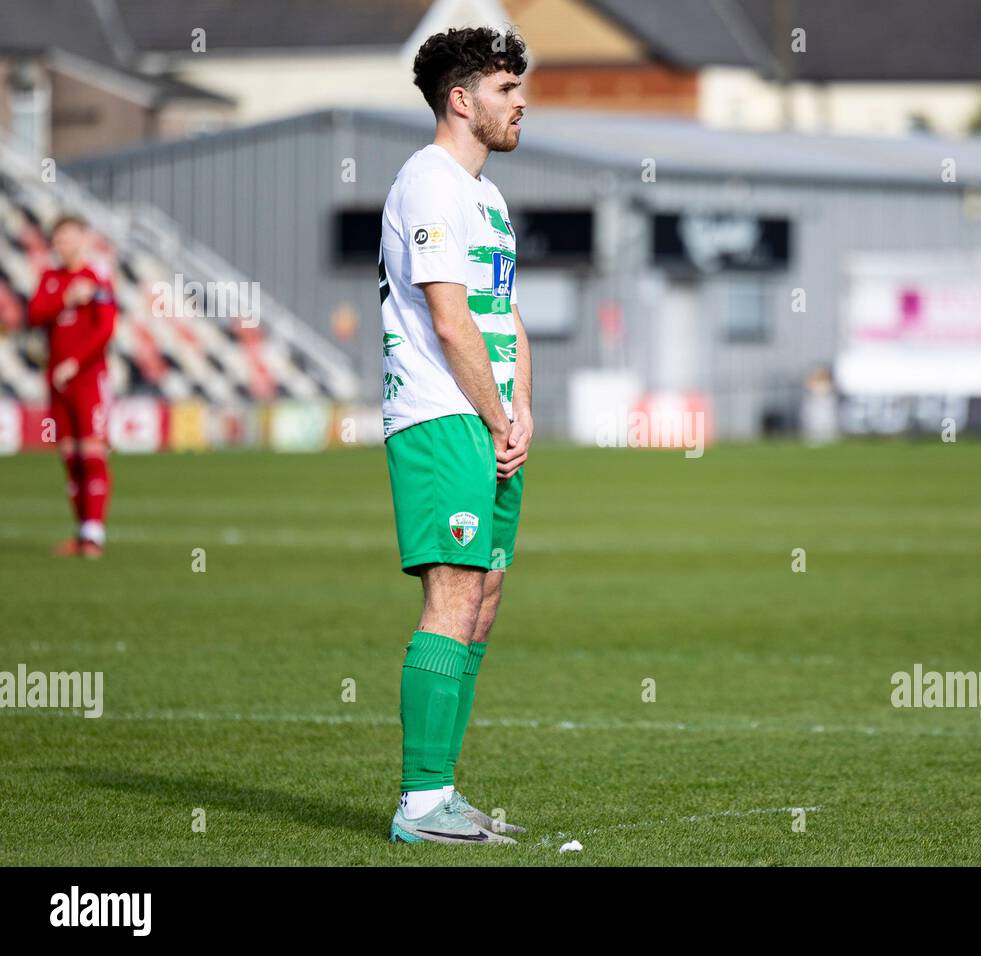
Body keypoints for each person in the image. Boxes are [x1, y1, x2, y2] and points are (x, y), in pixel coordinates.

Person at [380, 26, 534, 845]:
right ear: (461, 99)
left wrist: (523, 408)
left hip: (490, 423)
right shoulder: (429, 183)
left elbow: (503, 311)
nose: (521, 104)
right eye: (506, 90)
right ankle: (419, 802)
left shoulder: (487, 198)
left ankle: (442, 790)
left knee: (483, 601)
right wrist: (495, 414)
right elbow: (448, 319)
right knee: (451, 595)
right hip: (443, 418)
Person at [27, 215, 116, 559]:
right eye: (58, 239)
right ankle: (81, 534)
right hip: (57, 382)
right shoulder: (52, 278)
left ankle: (94, 536)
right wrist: (67, 298)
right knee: (71, 458)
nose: (61, 244)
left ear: (83, 239)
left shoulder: (98, 277)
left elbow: (105, 328)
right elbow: (34, 314)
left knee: (93, 455)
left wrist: (75, 363)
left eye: (68, 238)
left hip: (89, 379)